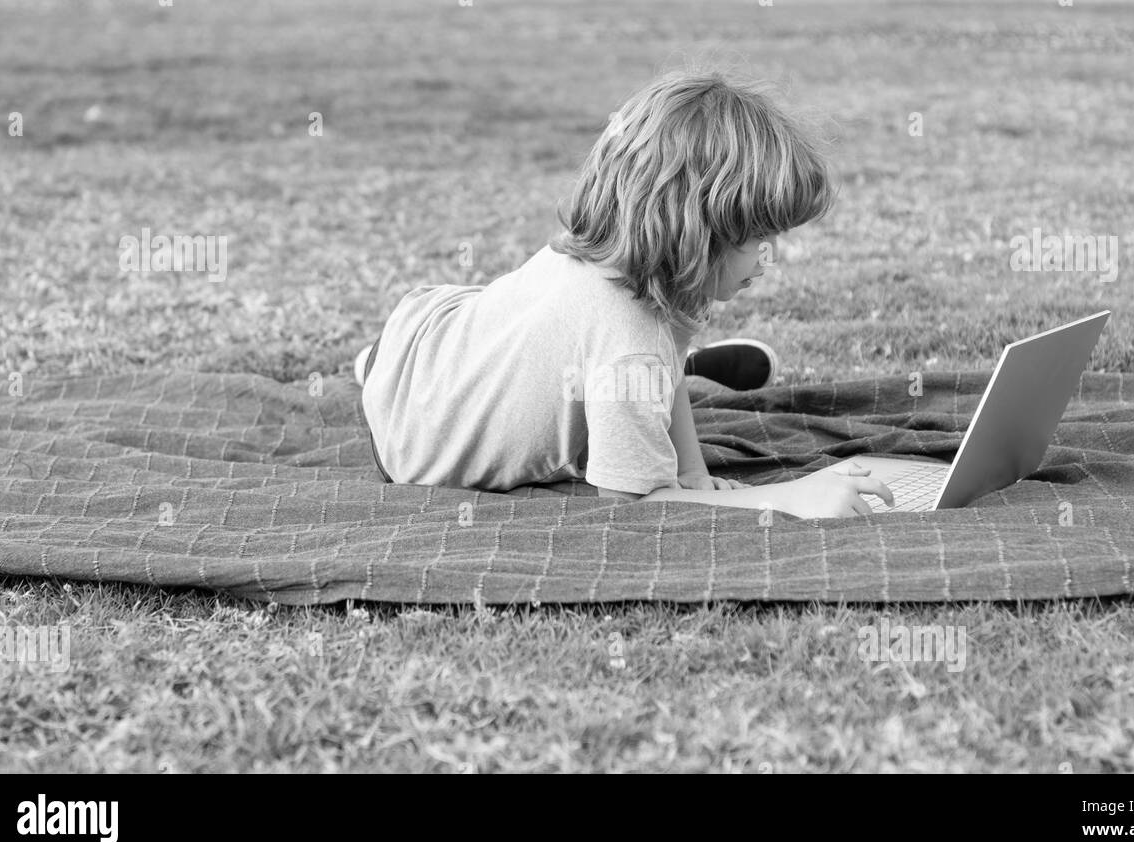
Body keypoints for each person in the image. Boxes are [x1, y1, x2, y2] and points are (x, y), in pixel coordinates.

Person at [356, 69, 892, 519]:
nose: (771, 254)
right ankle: (367, 367)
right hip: (405, 419)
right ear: (693, 232)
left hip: (436, 327)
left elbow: (663, 339)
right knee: (630, 369)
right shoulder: (631, 342)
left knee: (632, 367)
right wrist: (794, 498)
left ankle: (668, 375)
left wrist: (692, 471)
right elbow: (636, 503)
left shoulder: (630, 265)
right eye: (758, 238)